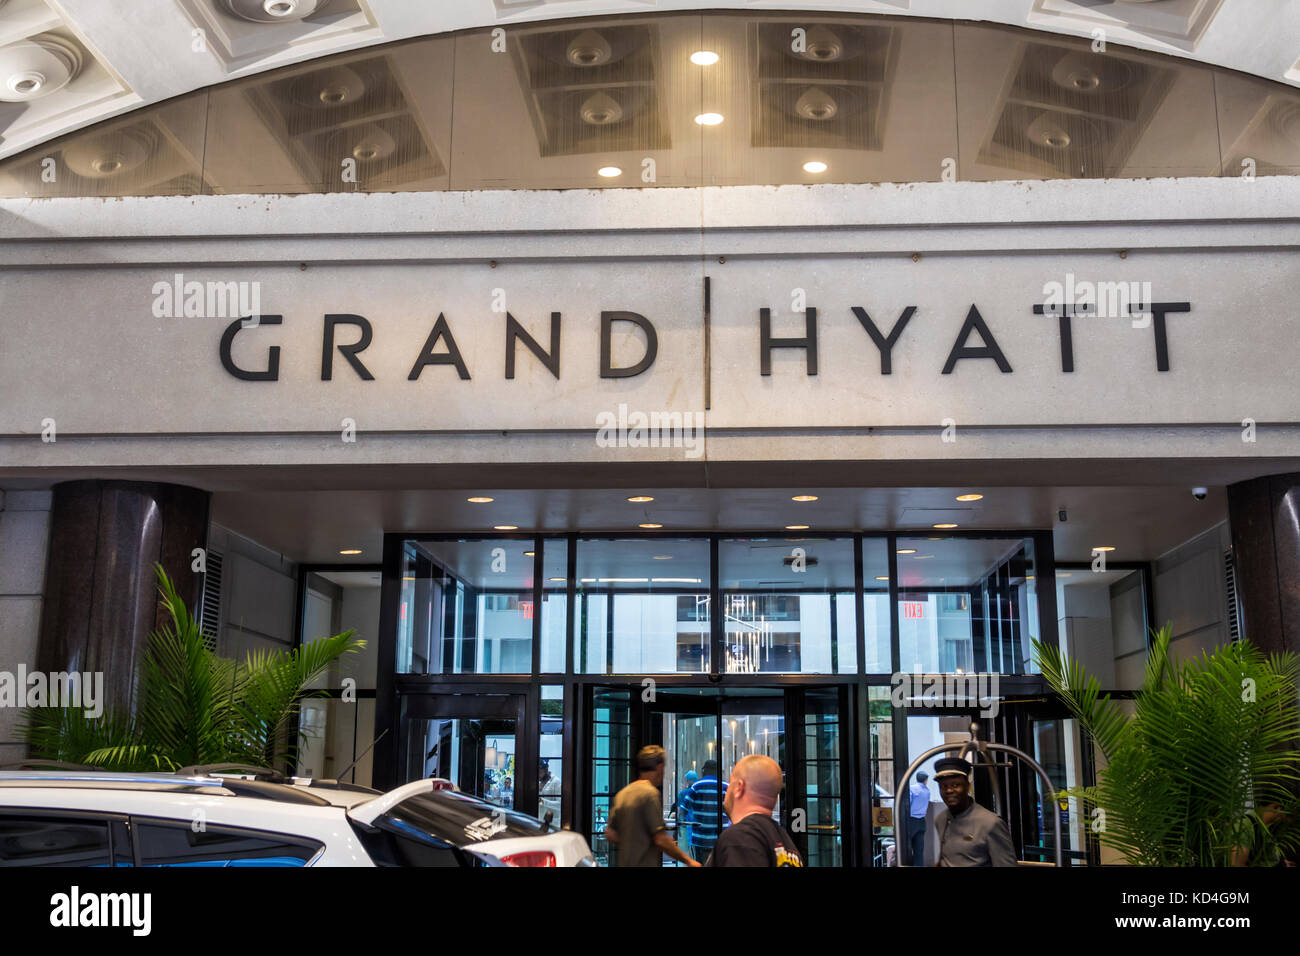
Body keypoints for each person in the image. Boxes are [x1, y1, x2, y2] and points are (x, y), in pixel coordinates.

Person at [605, 745, 701, 867]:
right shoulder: (649, 794)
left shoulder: (623, 794)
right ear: (660, 767)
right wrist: (689, 861)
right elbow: (660, 838)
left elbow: (610, 834)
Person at [704, 755, 803, 867]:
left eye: (731, 782)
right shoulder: (786, 844)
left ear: (739, 787)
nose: (727, 789)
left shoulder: (740, 839)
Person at [933, 757, 1016, 867]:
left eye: (955, 785)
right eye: (944, 786)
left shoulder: (991, 823)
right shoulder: (941, 819)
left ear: (967, 786)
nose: (949, 791)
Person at [681, 759, 728, 862]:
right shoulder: (726, 786)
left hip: (700, 839)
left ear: (704, 771)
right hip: (722, 839)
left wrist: (679, 828)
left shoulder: (697, 785)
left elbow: (683, 809)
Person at [907, 770, 932, 865]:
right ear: (925, 780)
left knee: (906, 847)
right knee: (919, 850)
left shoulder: (911, 789)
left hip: (911, 820)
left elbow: (907, 804)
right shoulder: (927, 791)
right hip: (921, 821)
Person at [674, 770, 698, 850]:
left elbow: (680, 810)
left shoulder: (683, 793)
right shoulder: (698, 791)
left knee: (685, 851)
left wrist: (678, 825)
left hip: (685, 825)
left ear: (687, 780)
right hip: (697, 825)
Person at [538, 758, 562, 824]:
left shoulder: (556, 782)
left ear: (546, 770)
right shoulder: (538, 783)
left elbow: (560, 805)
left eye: (539, 772)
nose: (538, 775)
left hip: (552, 824)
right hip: (538, 822)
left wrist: (542, 802)